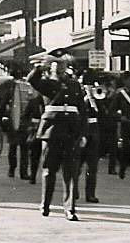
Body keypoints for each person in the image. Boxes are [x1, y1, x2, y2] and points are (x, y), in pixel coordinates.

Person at [29, 53, 87, 220]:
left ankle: (70, 209)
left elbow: (82, 111)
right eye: (56, 71)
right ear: (51, 71)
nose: (60, 74)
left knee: (70, 172)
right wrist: (40, 66)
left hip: (71, 132)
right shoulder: (46, 84)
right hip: (51, 132)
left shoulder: (74, 86)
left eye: (62, 71)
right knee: (49, 171)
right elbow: (32, 79)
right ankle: (45, 205)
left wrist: (82, 133)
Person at [0, 62, 37, 180]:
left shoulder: (9, 86)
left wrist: (0, 116)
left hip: (13, 119)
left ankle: (12, 170)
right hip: (25, 119)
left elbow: (3, 103)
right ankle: (23, 172)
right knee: (24, 148)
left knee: (13, 146)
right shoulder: (28, 86)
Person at [79, 71, 111, 203]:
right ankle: (73, 191)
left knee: (92, 167)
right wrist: (86, 100)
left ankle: (90, 194)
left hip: (94, 133)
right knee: (77, 166)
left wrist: (97, 102)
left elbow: (103, 115)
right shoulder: (78, 95)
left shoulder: (98, 98)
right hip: (81, 132)